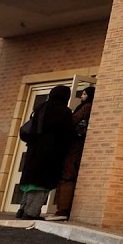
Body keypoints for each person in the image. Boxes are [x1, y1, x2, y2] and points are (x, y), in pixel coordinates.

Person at [16, 85, 73, 220]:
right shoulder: (64, 112)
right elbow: (66, 134)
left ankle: (22, 210)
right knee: (42, 184)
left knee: (31, 181)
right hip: (50, 153)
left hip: (34, 150)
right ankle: (31, 213)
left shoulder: (41, 107)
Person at [55, 84, 94, 218]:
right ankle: (63, 209)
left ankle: (62, 209)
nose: (82, 96)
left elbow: (72, 121)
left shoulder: (85, 108)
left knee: (68, 174)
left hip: (75, 144)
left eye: (84, 94)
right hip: (77, 144)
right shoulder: (88, 107)